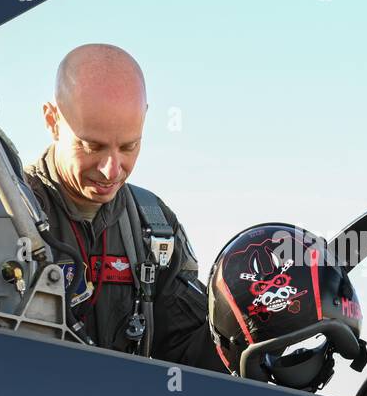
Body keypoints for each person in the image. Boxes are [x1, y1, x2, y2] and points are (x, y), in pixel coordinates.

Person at [24, 43, 224, 370]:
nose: (111, 169)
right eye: (92, 146)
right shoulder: (5, 217)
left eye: (129, 146)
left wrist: (241, 328)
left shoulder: (155, 226)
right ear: (52, 120)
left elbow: (188, 360)